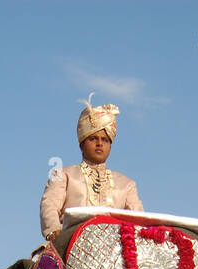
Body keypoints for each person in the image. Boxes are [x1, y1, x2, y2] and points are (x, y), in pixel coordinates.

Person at [39, 98, 144, 241]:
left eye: (105, 140)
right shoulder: (63, 174)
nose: (99, 143)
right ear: (82, 145)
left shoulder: (126, 185)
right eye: (93, 138)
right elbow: (49, 205)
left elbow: (139, 222)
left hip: (115, 248)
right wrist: (54, 231)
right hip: (69, 241)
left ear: (110, 147)